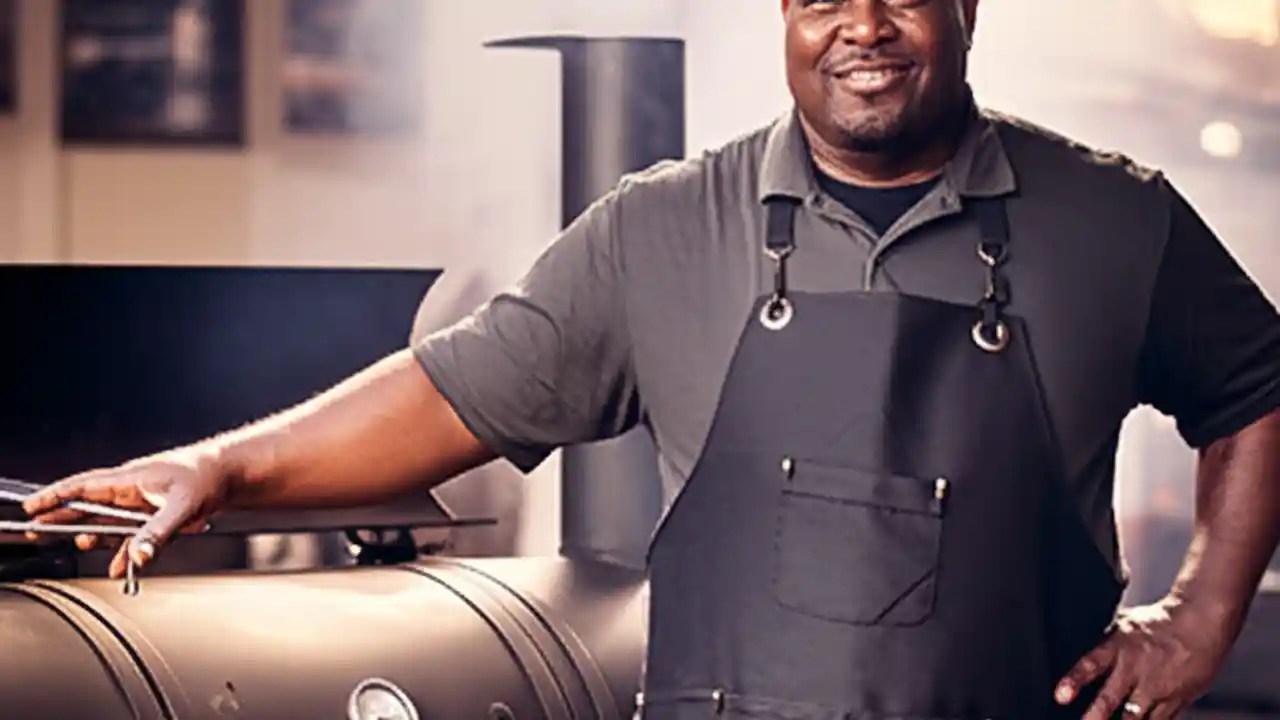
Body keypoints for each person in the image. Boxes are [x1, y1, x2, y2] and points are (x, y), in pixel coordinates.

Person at [23, 1, 1280, 718]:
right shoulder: (664, 225)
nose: (864, 25)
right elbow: (459, 391)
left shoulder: (1110, 220)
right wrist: (219, 469)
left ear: (966, 7)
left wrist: (1198, 621)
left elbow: (1255, 384)